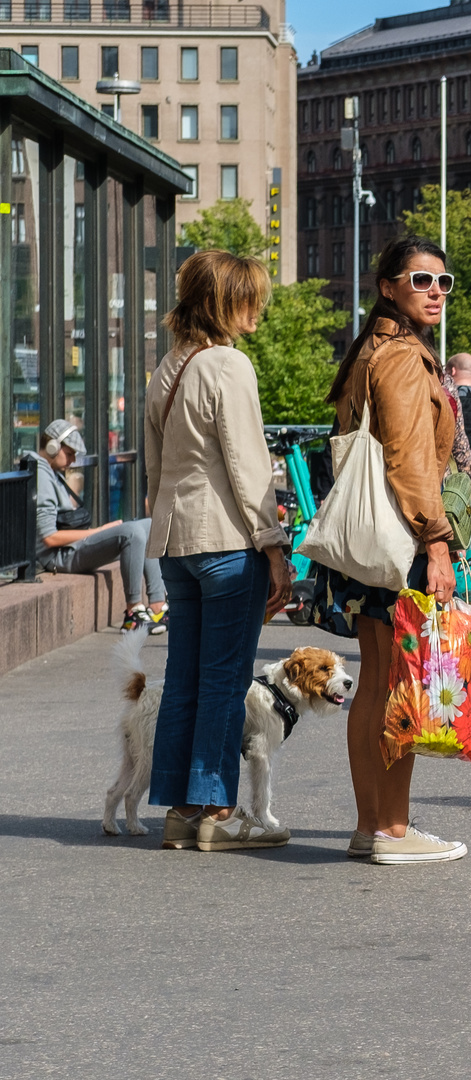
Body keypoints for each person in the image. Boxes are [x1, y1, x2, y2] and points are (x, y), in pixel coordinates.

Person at [312, 235, 469, 866]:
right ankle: (393, 831)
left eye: (442, 282)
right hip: (403, 536)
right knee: (399, 681)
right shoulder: (403, 358)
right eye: (420, 280)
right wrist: (436, 542)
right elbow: (407, 459)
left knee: (377, 678)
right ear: (388, 287)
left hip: (373, 540)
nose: (434, 291)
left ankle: (369, 824)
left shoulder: (370, 349)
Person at [143, 250, 293, 852]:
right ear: (226, 300)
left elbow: (155, 468)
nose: (257, 307)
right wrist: (274, 547)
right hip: (229, 541)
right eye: (250, 296)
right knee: (225, 682)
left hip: (177, 541)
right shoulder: (228, 365)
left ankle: (180, 812)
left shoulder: (169, 366)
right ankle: (218, 812)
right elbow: (248, 463)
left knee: (184, 678)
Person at [26, 419, 168, 633]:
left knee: (147, 525)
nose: (73, 461)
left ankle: (157, 606)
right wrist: (98, 531)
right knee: (132, 532)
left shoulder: (48, 471)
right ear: (52, 447)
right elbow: (49, 538)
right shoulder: (41, 475)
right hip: (58, 557)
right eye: (70, 453)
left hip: (68, 550)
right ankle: (133, 613)